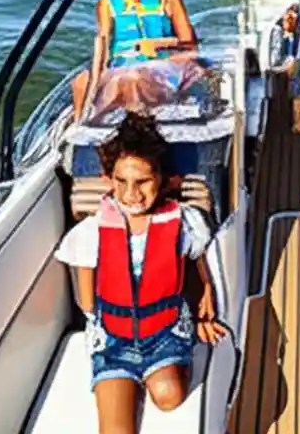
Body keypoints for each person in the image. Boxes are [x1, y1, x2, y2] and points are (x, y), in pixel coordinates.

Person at [54, 113, 227, 434]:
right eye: (122, 182)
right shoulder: (90, 233)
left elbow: (198, 272)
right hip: (114, 343)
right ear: (108, 179)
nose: (132, 194)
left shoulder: (185, 222)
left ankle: (168, 366)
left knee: (169, 397)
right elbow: (88, 302)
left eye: (143, 181)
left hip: (166, 334)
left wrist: (204, 314)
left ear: (166, 180)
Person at [71, 0, 197, 119]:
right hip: (123, 71)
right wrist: (95, 82)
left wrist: (157, 44)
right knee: (81, 82)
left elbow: (190, 44)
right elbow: (103, 50)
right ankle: (80, 133)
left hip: (162, 69)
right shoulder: (107, 4)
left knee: (134, 80)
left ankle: (140, 129)